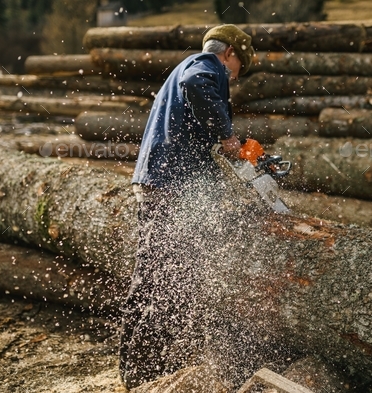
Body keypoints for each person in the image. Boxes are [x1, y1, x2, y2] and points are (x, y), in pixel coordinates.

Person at [119, 24, 255, 389]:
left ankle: (149, 365)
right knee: (161, 276)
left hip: (164, 183)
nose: (238, 73)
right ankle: (142, 373)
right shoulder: (205, 66)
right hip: (168, 187)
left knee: (166, 272)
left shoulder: (186, 68)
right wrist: (226, 135)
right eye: (240, 64)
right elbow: (197, 86)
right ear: (229, 53)